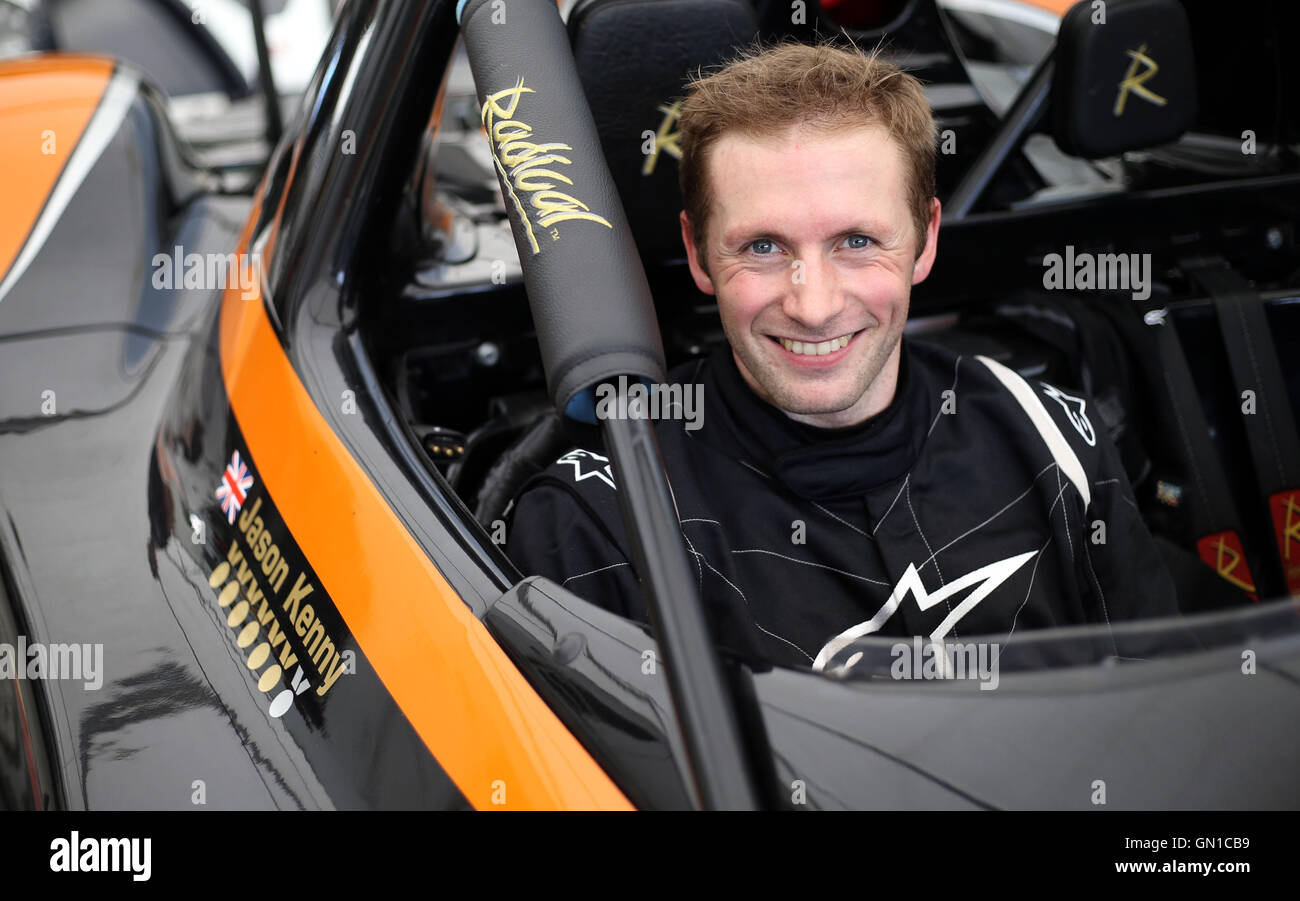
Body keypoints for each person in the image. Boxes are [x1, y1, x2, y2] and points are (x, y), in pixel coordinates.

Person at [505, 41, 1180, 671]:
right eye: (763, 247)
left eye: (856, 241)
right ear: (698, 252)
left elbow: (1162, 726)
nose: (814, 304)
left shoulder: (1054, 442)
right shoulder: (596, 527)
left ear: (925, 238)